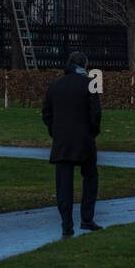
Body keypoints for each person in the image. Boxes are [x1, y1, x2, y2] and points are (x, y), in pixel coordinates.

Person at [41, 51, 102, 237]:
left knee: (63, 185)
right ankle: (86, 218)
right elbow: (96, 114)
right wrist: (92, 132)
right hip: (84, 139)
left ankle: (67, 224)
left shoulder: (55, 86)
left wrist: (55, 131)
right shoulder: (90, 85)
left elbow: (46, 113)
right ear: (84, 65)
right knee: (90, 178)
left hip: (62, 141)